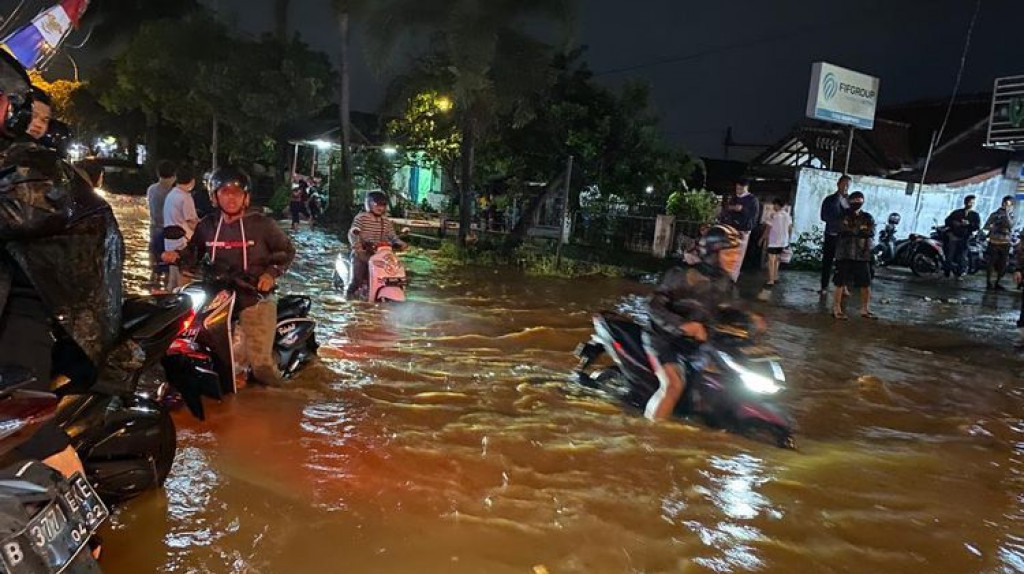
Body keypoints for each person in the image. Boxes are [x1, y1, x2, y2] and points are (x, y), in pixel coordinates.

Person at [0, 52, 124, 481]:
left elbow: (22, 212)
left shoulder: (34, 161)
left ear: (10, 107)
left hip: (29, 304)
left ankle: (83, 512)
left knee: (20, 417)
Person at [163, 166, 295, 386]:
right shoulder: (207, 225)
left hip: (254, 297)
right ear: (215, 197)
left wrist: (270, 274)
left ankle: (280, 393)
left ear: (246, 197)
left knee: (260, 365)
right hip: (218, 296)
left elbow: (286, 251)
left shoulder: (263, 225)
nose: (231, 198)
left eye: (237, 193)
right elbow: (193, 253)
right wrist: (176, 256)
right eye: (225, 192)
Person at [643, 224, 764, 421]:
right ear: (713, 254)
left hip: (696, 345)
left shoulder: (726, 283)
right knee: (673, 386)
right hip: (663, 340)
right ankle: (650, 432)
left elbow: (728, 311)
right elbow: (653, 305)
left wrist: (750, 319)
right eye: (729, 253)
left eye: (736, 253)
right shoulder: (681, 275)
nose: (735, 258)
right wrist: (682, 325)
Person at [346, 191, 406, 299]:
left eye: (383, 205)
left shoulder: (386, 221)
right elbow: (353, 232)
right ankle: (349, 296)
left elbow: (393, 236)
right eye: (377, 204)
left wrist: (400, 244)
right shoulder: (361, 218)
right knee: (357, 280)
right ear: (369, 203)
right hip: (363, 254)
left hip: (380, 256)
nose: (380, 207)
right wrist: (357, 245)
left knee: (393, 275)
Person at [832, 191, 876, 320]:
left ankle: (865, 309)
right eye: (854, 200)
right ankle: (836, 308)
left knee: (866, 283)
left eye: (859, 201)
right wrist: (859, 230)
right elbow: (842, 229)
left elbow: (870, 232)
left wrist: (855, 230)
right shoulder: (843, 215)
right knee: (840, 282)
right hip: (844, 253)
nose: (857, 203)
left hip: (861, 254)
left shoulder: (867, 217)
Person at [162, 165, 199, 291]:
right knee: (184, 282)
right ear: (192, 181)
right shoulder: (185, 197)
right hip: (183, 243)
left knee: (172, 281)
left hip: (169, 242)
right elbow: (192, 222)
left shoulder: (171, 194)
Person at [718, 178, 759, 282]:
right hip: (731, 229)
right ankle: (724, 276)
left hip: (743, 230)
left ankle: (732, 278)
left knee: (737, 255)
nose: (738, 191)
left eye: (741, 189)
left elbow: (753, 216)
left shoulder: (753, 200)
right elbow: (726, 211)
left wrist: (742, 210)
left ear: (746, 188)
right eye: (737, 188)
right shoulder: (734, 198)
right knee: (727, 253)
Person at [820, 174, 851, 294]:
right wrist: (838, 221)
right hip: (831, 234)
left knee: (843, 263)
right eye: (844, 184)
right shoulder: (830, 199)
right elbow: (823, 216)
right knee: (827, 262)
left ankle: (843, 286)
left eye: (848, 185)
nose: (845, 187)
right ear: (838, 184)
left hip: (844, 236)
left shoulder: (850, 201)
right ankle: (824, 286)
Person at [146, 160, 176, 283]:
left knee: (154, 267)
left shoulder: (151, 189)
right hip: (170, 233)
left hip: (154, 229)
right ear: (174, 176)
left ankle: (153, 284)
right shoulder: (174, 193)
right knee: (169, 270)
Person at [943, 195, 981, 279]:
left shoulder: (975, 215)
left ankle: (959, 273)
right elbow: (947, 221)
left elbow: (977, 226)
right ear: (965, 202)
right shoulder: (957, 212)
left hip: (965, 238)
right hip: (954, 236)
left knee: (962, 256)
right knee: (950, 255)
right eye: (969, 202)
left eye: (972, 203)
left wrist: (969, 224)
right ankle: (947, 272)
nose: (971, 204)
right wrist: (954, 223)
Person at [984, 195, 1015, 290]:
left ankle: (998, 282)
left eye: (1009, 205)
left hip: (1005, 242)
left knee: (1002, 264)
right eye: (1005, 204)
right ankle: (988, 282)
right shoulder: (994, 214)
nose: (1007, 206)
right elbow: (986, 226)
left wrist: (1006, 214)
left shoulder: (1011, 215)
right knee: (991, 262)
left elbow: (1010, 225)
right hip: (994, 241)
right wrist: (993, 227)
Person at [764, 197, 792, 287]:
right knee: (777, 260)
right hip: (783, 242)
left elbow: (768, 228)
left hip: (773, 241)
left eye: (774, 205)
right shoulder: (787, 215)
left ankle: (771, 280)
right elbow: (790, 228)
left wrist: (763, 238)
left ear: (777, 205)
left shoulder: (773, 215)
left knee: (771, 260)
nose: (773, 207)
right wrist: (788, 240)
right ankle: (775, 277)